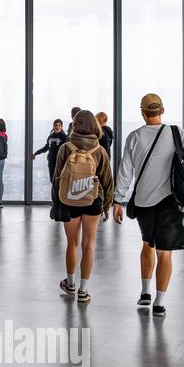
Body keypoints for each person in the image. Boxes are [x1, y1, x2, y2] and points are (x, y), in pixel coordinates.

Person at [113, 93, 184, 318]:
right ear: (162, 110)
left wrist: (117, 200)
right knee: (165, 253)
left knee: (147, 244)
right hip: (171, 202)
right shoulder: (175, 133)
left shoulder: (134, 137)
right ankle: (159, 303)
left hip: (143, 201)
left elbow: (125, 172)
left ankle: (145, 291)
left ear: (142, 112)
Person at [52, 110, 114, 303]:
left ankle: (70, 283)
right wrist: (106, 206)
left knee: (72, 243)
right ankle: (83, 290)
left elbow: (56, 179)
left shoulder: (65, 148)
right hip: (92, 200)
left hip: (69, 201)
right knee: (89, 245)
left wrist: (56, 205)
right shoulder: (99, 150)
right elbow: (107, 181)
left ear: (75, 125)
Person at [33, 120, 69, 198]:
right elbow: (46, 148)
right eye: (56, 125)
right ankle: (55, 199)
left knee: (59, 181)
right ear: (53, 126)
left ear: (62, 126)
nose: (57, 127)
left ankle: (60, 200)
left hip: (60, 162)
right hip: (51, 161)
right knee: (52, 180)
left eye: (59, 125)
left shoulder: (64, 137)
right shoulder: (50, 136)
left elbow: (66, 150)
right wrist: (36, 153)